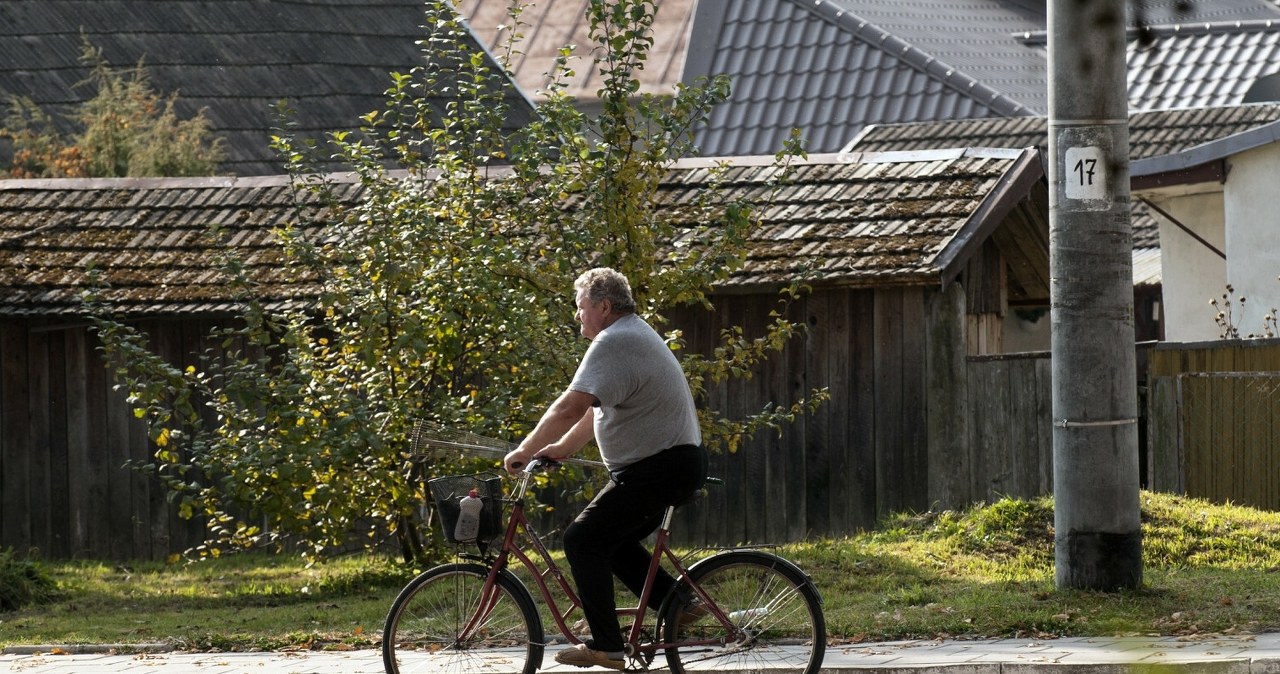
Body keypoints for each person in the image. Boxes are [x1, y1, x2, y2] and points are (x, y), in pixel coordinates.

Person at [503, 267, 708, 671]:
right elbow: (597, 408)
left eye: (580, 307)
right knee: (609, 542)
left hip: (660, 467)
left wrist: (524, 449)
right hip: (670, 465)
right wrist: (559, 448)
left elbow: (570, 405)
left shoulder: (615, 341)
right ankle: (678, 605)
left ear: (603, 306)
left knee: (581, 540)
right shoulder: (630, 334)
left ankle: (607, 645)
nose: (577, 315)